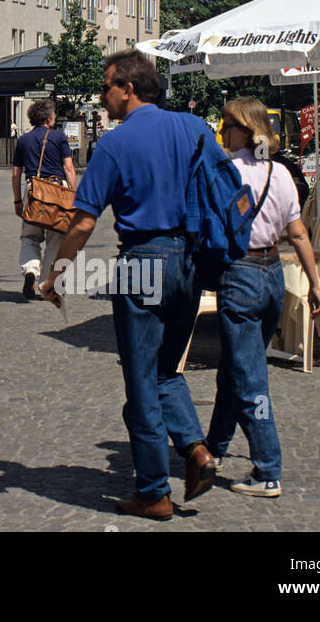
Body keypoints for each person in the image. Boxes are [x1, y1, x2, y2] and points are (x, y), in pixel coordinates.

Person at [41, 50, 221, 521]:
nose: (103, 98)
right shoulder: (195, 128)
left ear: (128, 88)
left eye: (106, 89)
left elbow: (82, 223)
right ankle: (196, 450)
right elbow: (230, 188)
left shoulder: (115, 146)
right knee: (166, 369)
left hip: (143, 261)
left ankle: (154, 492)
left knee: (142, 381)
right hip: (190, 263)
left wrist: (58, 273)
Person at [207, 99, 320, 499]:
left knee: (249, 378)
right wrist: (315, 283)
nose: (222, 132)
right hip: (274, 274)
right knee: (236, 368)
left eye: (227, 126)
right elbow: (299, 234)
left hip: (239, 274)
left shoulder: (226, 172)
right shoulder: (282, 174)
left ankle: (267, 468)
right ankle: (214, 448)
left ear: (244, 130)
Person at [11, 100, 76, 301]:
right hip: (57, 191)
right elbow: (68, 168)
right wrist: (73, 194)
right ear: (49, 118)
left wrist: (17, 201)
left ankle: (30, 270)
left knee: (30, 236)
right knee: (56, 239)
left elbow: (15, 173)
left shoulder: (23, 140)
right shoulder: (58, 137)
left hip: (33, 191)